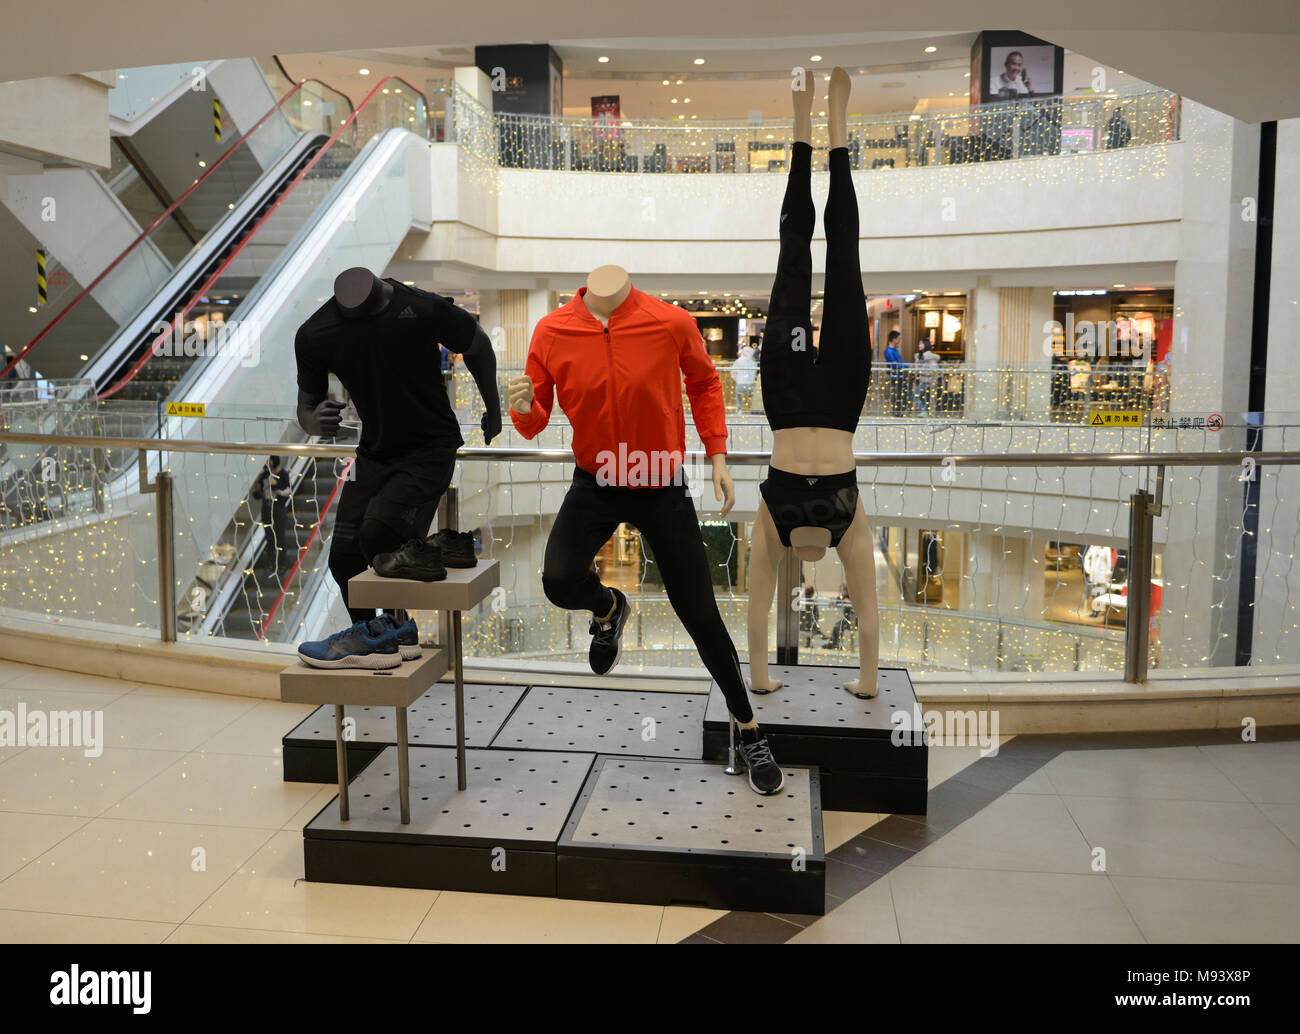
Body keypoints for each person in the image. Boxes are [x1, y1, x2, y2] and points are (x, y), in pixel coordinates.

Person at [506, 265, 785, 796]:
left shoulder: (670, 322)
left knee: (699, 613)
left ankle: (750, 730)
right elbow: (535, 419)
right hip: (596, 479)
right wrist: (523, 408)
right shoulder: (552, 330)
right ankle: (609, 608)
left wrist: (717, 456)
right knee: (558, 581)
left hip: (660, 482)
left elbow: (704, 384)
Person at [746, 66, 881, 700]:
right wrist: (867, 682)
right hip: (822, 405)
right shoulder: (842, 526)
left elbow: (755, 606)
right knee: (832, 258)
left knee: (804, 256)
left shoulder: (786, 523)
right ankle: (831, 129)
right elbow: (869, 609)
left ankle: (811, 126)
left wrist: (761, 679)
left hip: (797, 400)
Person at [251, 455, 291, 571]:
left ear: (274, 461)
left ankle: (282, 564)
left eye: (269, 461)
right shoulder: (264, 475)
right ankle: (270, 563)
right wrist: (257, 490)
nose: (267, 463)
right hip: (266, 509)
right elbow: (258, 495)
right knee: (269, 537)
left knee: (280, 537)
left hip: (278, 509)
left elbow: (286, 492)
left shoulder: (283, 474)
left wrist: (275, 485)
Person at [912, 336, 941, 416]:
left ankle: (924, 411)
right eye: (919, 344)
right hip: (922, 381)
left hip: (927, 381)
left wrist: (922, 372)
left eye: (921, 343)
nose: (919, 345)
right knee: (920, 396)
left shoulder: (930, 357)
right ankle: (924, 411)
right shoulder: (920, 357)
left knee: (915, 395)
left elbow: (933, 370)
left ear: (926, 344)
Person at [883, 329, 905, 416]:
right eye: (898, 338)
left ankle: (898, 411)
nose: (899, 340)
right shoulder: (889, 351)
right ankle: (896, 411)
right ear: (894, 339)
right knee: (896, 394)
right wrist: (907, 366)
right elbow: (894, 364)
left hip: (899, 375)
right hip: (895, 376)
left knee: (899, 394)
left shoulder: (894, 350)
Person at [731, 345, 758, 412]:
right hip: (750, 384)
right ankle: (752, 409)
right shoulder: (753, 362)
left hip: (740, 383)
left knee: (738, 396)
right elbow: (755, 373)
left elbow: (733, 372)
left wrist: (737, 379)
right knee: (752, 396)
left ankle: (739, 409)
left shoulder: (738, 361)